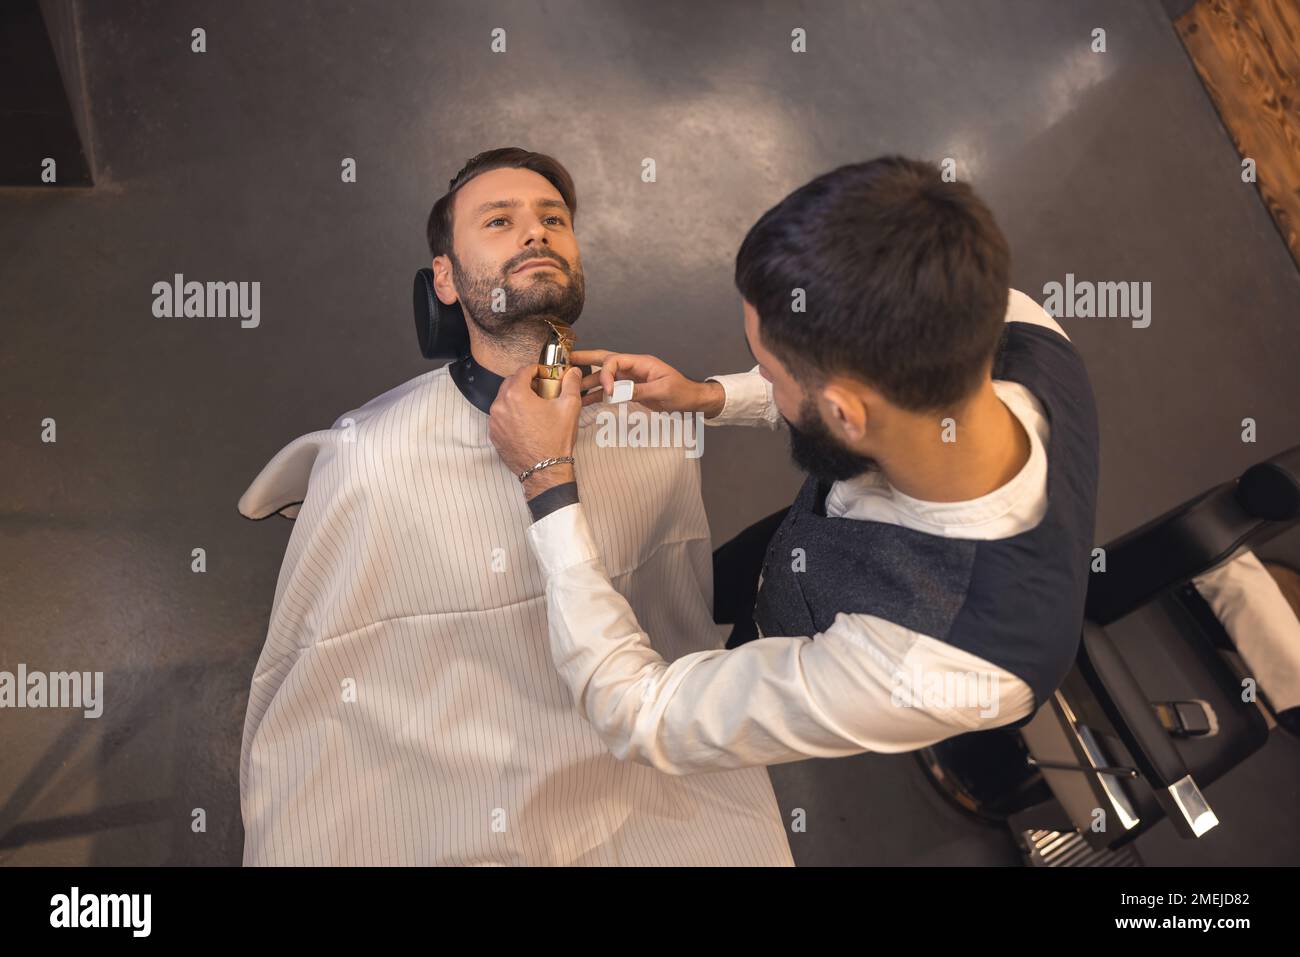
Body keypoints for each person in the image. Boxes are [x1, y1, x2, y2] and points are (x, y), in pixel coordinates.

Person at [236, 148, 792, 865]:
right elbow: (314, 676)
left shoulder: (652, 425)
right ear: (444, 278)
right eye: (500, 220)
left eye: (553, 220)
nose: (536, 233)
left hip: (639, 751)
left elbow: (667, 608)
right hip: (441, 788)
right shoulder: (368, 460)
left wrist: (705, 396)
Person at [488, 155, 1101, 775]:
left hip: (839, 634)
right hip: (800, 546)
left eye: (772, 374)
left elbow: (641, 716)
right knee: (705, 583)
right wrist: (707, 395)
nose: (766, 384)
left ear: (846, 414)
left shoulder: (940, 660)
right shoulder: (1005, 317)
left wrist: (545, 474)